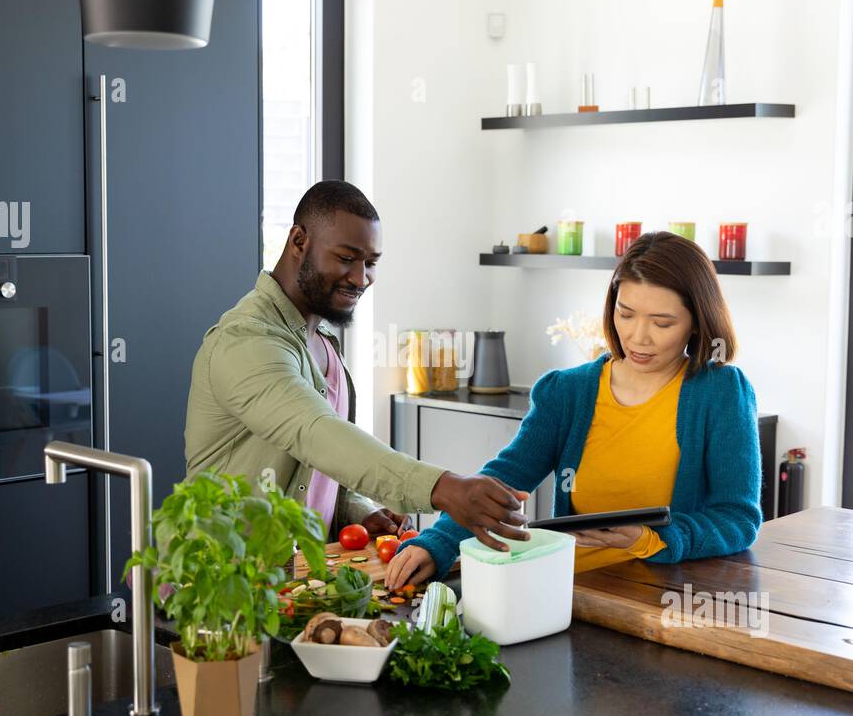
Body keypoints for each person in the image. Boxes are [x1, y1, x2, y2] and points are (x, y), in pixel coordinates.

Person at [386, 230, 762, 591]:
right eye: (626, 314)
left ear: (697, 322)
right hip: (571, 592)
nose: (638, 336)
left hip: (667, 599)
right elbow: (504, 478)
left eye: (662, 322)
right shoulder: (569, 391)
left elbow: (737, 519)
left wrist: (651, 539)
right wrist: (437, 542)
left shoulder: (721, 393)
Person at [185, 180, 530, 546]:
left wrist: (358, 509)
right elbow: (316, 434)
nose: (360, 278)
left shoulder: (322, 343)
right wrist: (444, 488)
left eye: (371, 263)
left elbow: (313, 468)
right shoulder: (246, 340)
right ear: (298, 242)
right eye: (347, 258)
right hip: (221, 586)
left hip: (292, 581)